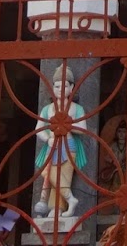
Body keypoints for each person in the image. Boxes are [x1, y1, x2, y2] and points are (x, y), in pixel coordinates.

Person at [36, 65, 88, 219]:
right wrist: (48, 139)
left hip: (69, 146)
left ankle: (57, 209)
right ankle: (70, 201)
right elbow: (38, 129)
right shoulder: (47, 109)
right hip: (51, 146)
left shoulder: (77, 109)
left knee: (62, 176)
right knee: (47, 173)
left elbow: (83, 129)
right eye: (57, 86)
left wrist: (68, 126)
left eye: (64, 86)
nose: (60, 90)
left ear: (71, 88)